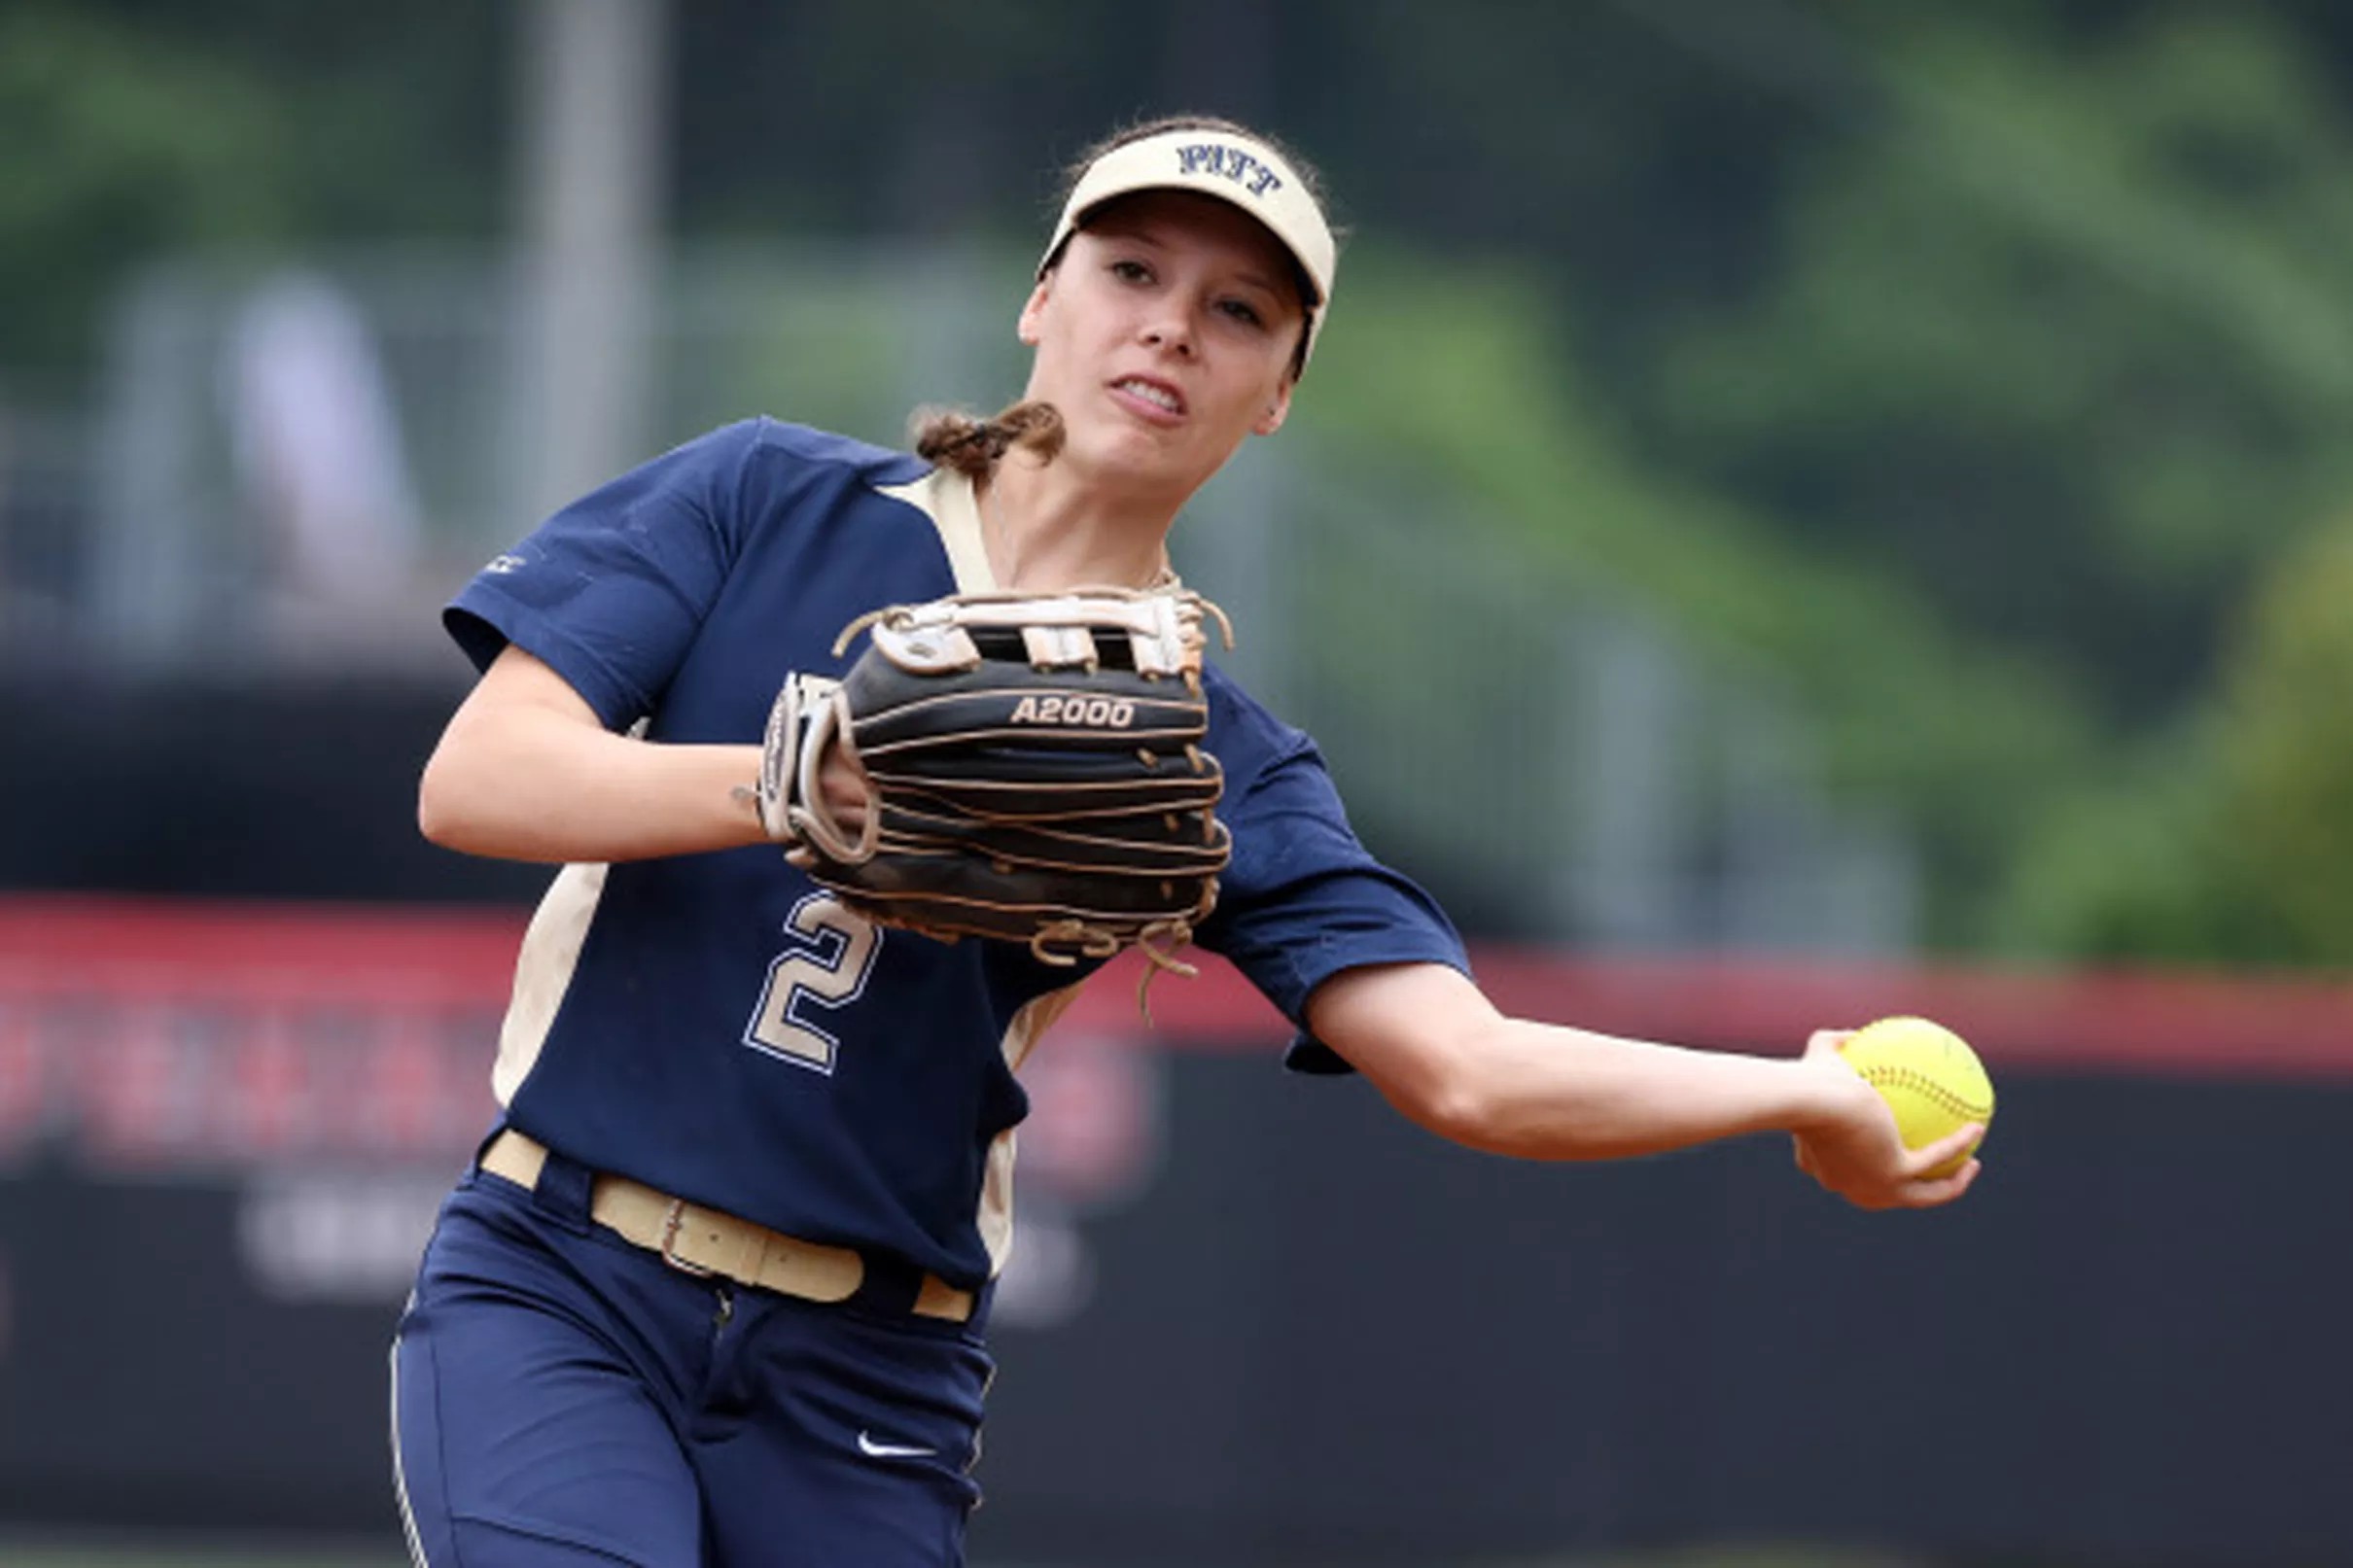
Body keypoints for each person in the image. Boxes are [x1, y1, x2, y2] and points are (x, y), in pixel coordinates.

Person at [393, 114, 1980, 1568]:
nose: (1170, 322)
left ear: (1280, 390)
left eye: (1238, 310)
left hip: (864, 1374)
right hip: (565, 1283)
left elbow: (1472, 1070)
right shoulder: (768, 501)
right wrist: (806, 782)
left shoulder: (1216, 755)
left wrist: (1806, 1091)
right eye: (1133, 269)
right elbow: (482, 778)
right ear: (1043, 298)